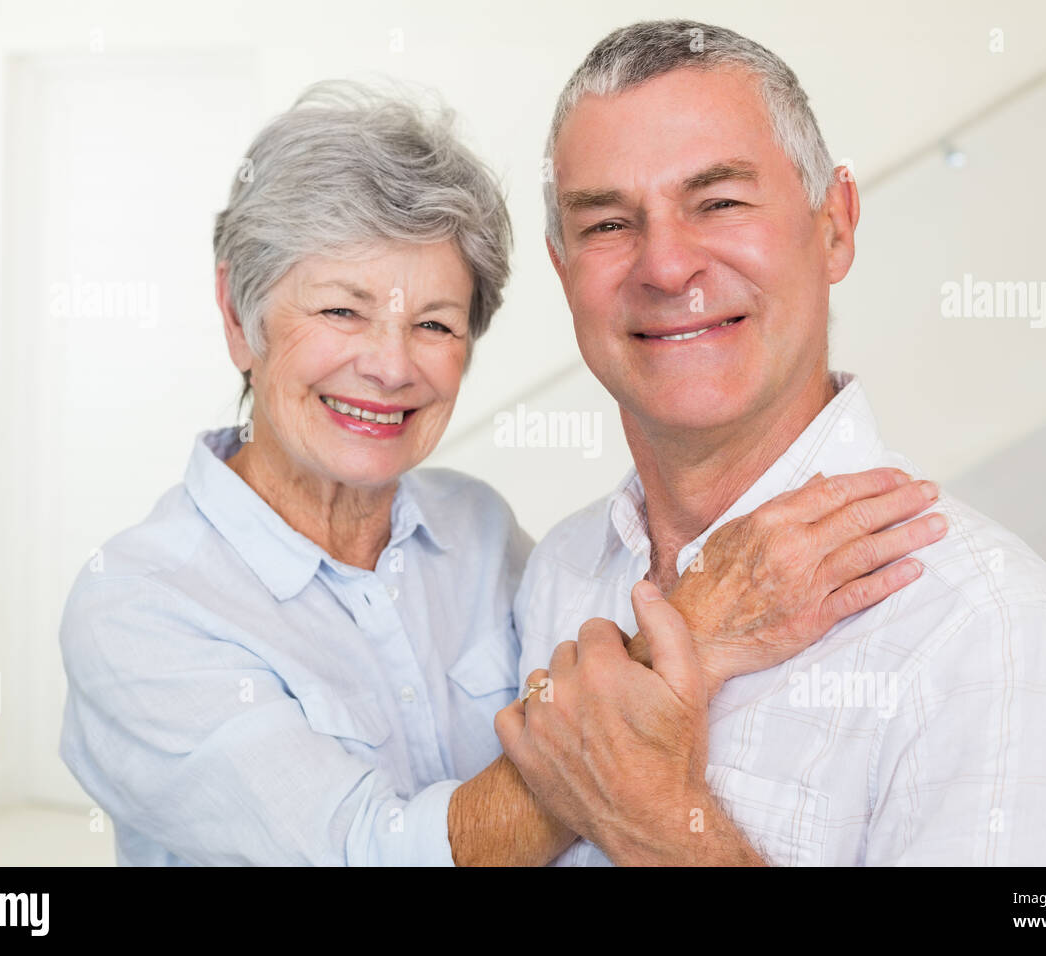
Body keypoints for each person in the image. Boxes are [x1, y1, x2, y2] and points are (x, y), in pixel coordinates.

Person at [58, 79, 945, 866]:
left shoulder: (480, 531)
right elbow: (371, 855)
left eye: (436, 325)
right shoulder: (139, 607)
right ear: (239, 318)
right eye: (341, 309)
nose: (390, 367)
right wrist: (697, 634)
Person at [499, 19, 1046, 865]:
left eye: (718, 202)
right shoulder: (560, 574)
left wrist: (658, 824)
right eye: (607, 224)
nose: (667, 267)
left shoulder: (980, 621)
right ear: (564, 269)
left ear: (836, 227)